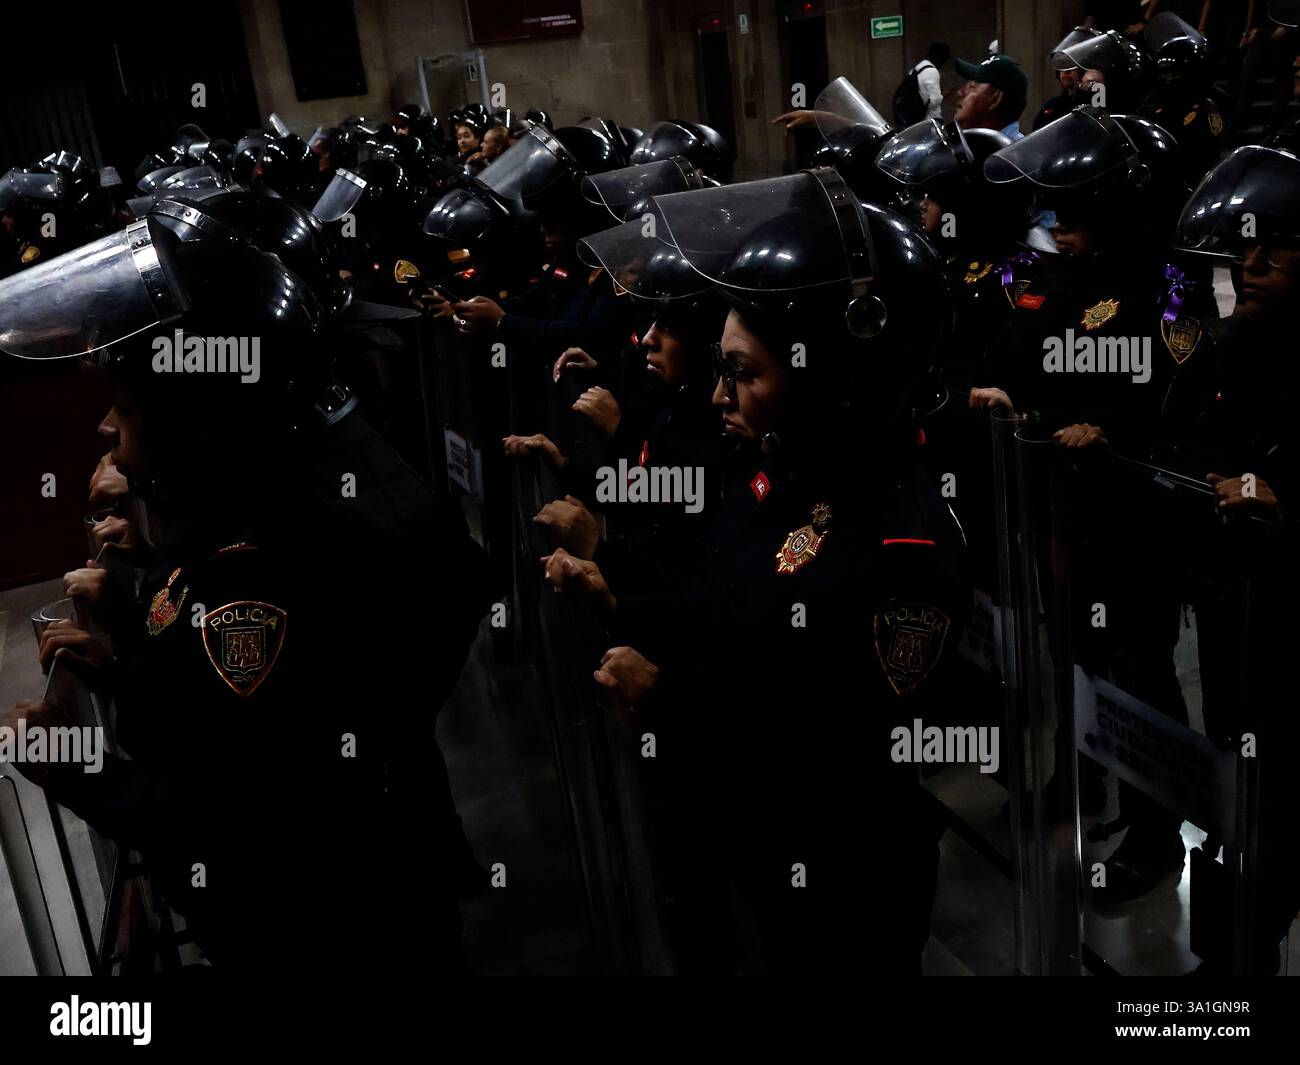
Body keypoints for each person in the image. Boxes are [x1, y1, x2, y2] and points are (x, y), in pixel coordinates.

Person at [0, 202, 489, 971]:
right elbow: (216, 718)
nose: (102, 428)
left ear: (197, 422)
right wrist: (126, 657)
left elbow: (223, 816)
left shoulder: (254, 575)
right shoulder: (231, 521)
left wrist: (76, 768)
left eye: (125, 406)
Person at [546, 169, 970, 972]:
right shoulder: (784, 474)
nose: (718, 395)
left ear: (834, 380)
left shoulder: (902, 555)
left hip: (844, 889)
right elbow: (727, 609)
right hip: (764, 854)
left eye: (744, 372)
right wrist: (620, 597)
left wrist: (666, 697)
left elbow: (838, 756)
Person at [953, 53, 1030, 139]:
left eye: (972, 86)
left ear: (995, 99)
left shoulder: (1016, 151)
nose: (960, 92)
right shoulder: (975, 146)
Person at [893, 42, 952, 126]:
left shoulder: (917, 69)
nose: (945, 63)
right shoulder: (932, 71)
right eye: (945, 59)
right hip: (929, 121)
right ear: (940, 58)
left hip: (916, 120)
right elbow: (934, 101)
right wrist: (944, 94)